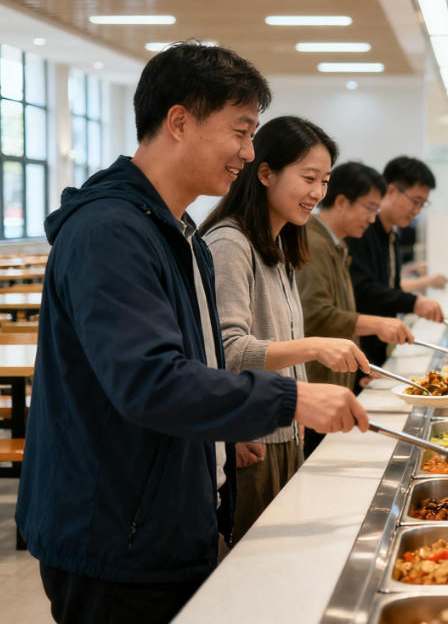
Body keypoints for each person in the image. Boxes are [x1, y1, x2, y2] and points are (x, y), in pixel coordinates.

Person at [15, 42, 369, 624]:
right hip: (115, 536)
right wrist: (291, 397)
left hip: (172, 517)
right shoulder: (111, 233)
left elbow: (198, 357)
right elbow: (149, 381)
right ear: (179, 121)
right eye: (240, 131)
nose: (249, 152)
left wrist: (224, 435)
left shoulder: (177, 230)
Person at [201, 116, 371, 543]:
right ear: (264, 172)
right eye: (308, 177)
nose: (317, 193)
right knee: (256, 565)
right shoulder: (230, 243)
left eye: (325, 180)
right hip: (252, 436)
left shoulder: (279, 243)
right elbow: (227, 350)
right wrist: (314, 347)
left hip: (283, 428)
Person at [296, 161, 416, 456]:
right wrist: (377, 324)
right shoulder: (315, 241)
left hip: (334, 384)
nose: (373, 219)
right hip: (319, 389)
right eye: (369, 208)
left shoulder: (335, 243)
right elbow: (315, 314)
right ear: (341, 202)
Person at [348, 155, 445, 365]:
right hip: (356, 352)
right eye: (415, 201)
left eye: (423, 204)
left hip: (378, 352)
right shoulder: (361, 231)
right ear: (391, 190)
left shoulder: (392, 235)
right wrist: (414, 302)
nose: (417, 211)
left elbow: (389, 287)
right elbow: (363, 290)